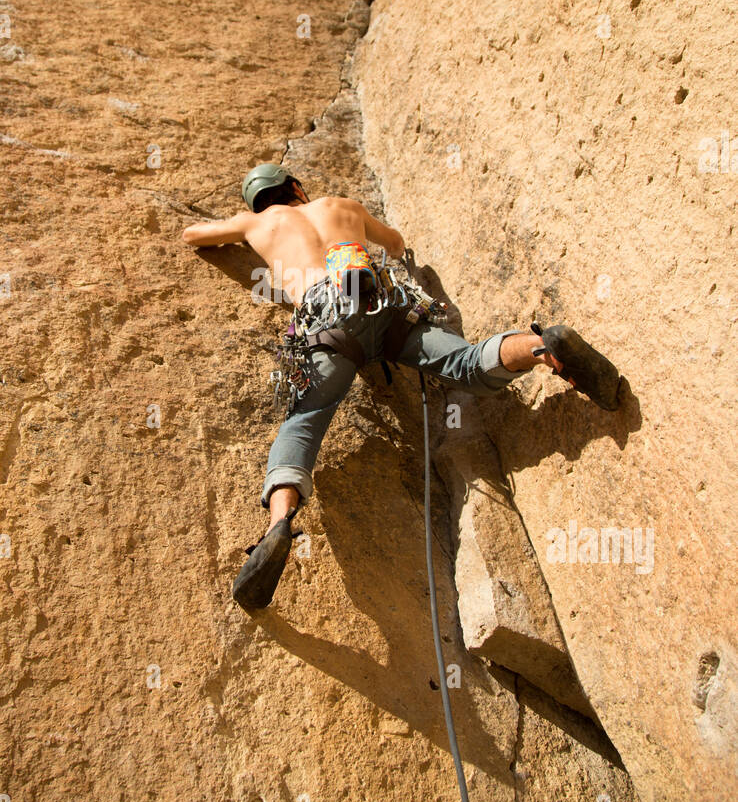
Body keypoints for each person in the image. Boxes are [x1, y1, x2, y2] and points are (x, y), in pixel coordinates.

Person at [182, 163, 622, 611]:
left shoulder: (257, 222)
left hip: (325, 323)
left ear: (259, 201)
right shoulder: (341, 205)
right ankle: (544, 347)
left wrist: (240, 230)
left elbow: (194, 236)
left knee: (304, 423)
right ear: (295, 186)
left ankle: (279, 524)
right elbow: (395, 242)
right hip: (385, 305)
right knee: (466, 365)